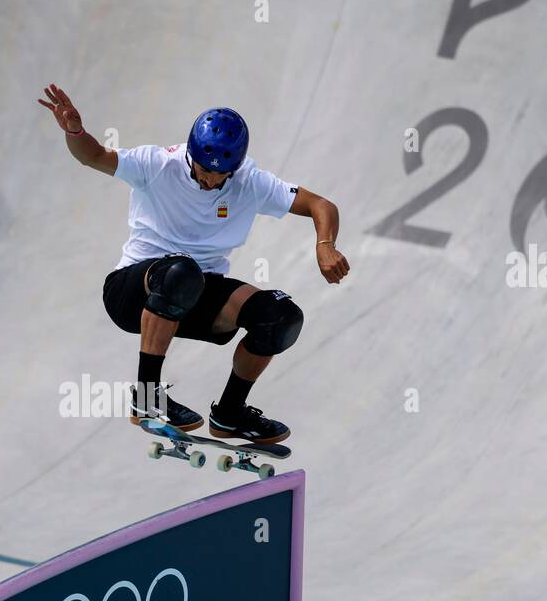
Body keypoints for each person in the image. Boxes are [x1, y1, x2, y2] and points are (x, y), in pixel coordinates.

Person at [38, 83, 349, 443]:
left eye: (221, 174)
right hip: (131, 290)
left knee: (280, 317)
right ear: (192, 154)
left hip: (195, 293)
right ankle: (147, 397)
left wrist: (325, 244)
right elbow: (92, 156)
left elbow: (321, 206)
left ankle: (231, 413)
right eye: (204, 169)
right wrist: (76, 132)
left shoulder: (250, 181)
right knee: (181, 272)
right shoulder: (157, 164)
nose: (210, 180)